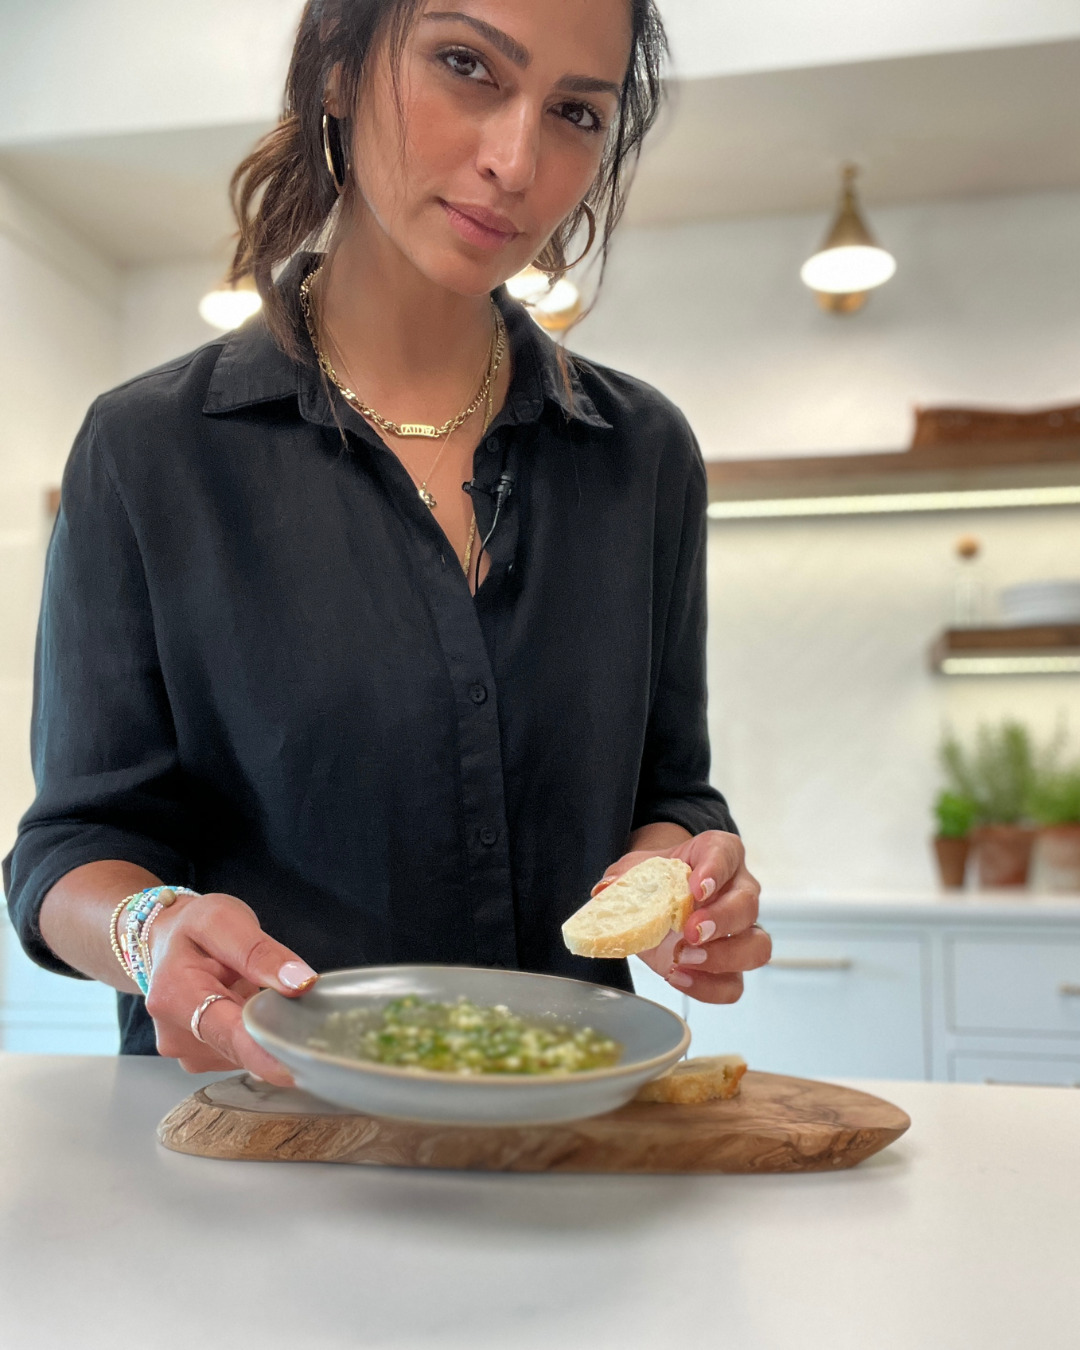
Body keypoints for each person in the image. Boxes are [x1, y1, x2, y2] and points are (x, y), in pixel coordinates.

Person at [3, 0, 769, 1086]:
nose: (516, 160)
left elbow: (670, 791)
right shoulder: (148, 450)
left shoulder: (643, 456)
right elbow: (70, 848)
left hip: (563, 1148)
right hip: (261, 1150)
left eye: (576, 114)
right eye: (466, 66)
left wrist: (679, 881)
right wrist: (151, 931)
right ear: (336, 67)